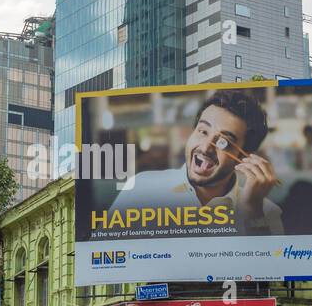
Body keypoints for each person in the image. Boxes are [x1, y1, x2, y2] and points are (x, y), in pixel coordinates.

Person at [108, 89, 283, 235]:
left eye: (224, 143)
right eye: (203, 131)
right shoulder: (142, 187)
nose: (206, 147)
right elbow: (101, 259)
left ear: (244, 158)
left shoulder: (266, 213)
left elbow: (267, 273)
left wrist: (252, 212)